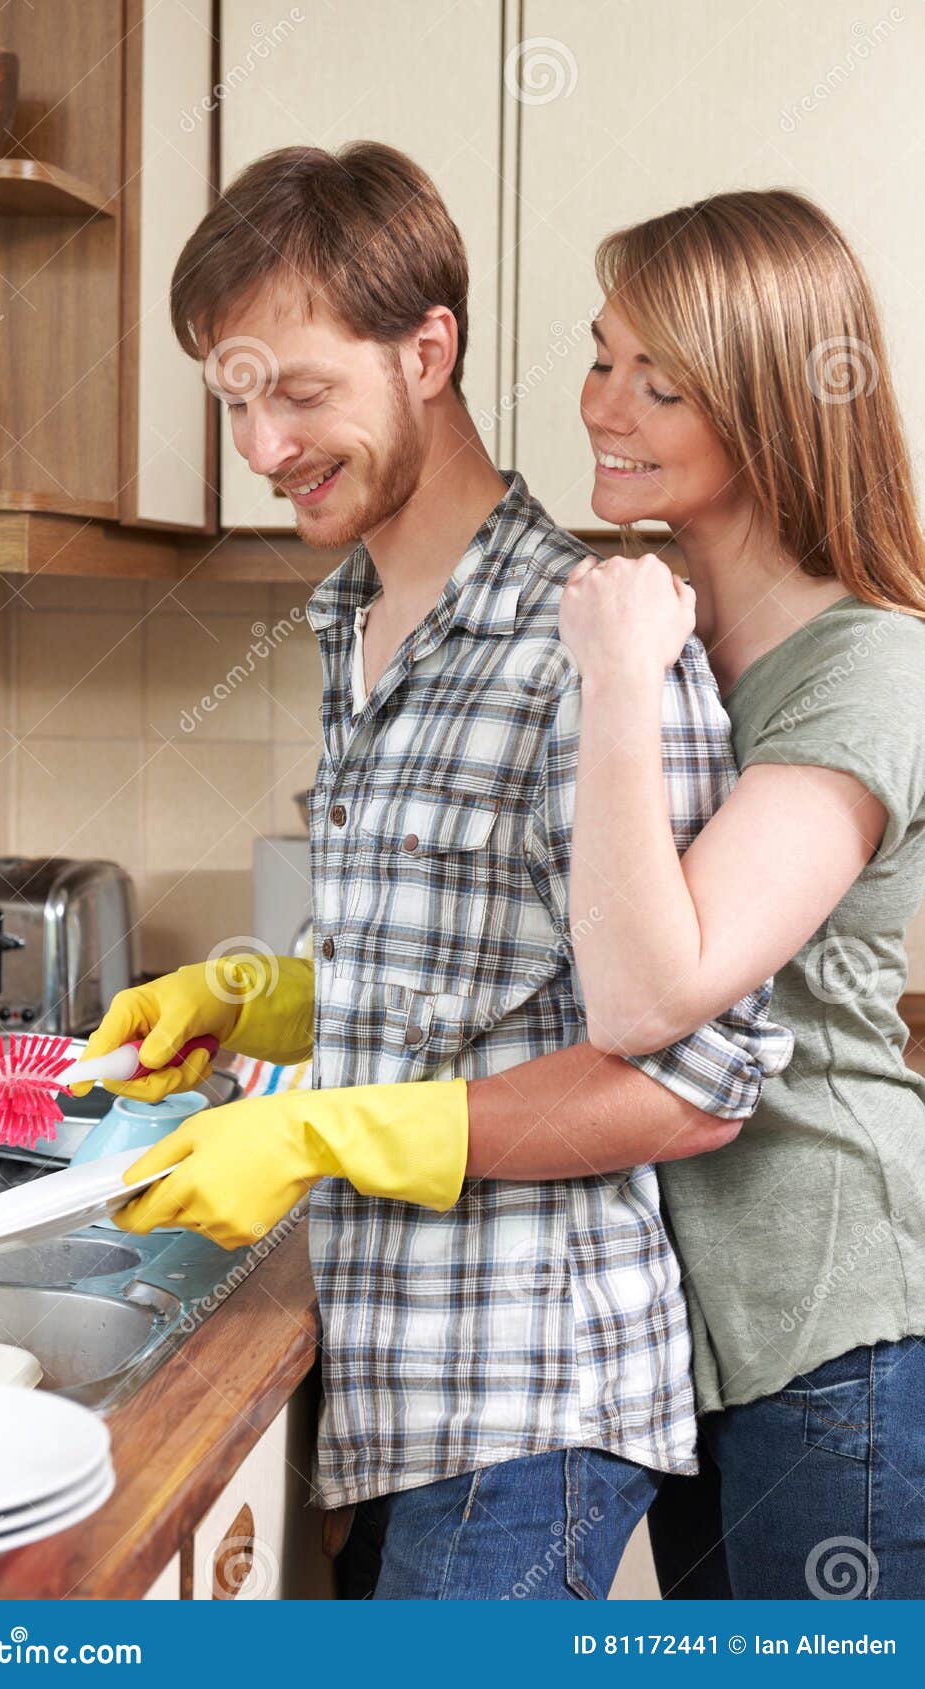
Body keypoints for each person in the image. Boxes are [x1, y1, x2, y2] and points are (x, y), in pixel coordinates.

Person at [74, 144, 790, 1600]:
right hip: (391, 1373)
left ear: (426, 352)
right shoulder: (355, 616)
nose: (263, 445)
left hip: (524, 1397)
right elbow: (470, 969)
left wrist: (317, 1135)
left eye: (298, 391)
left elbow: (695, 1079)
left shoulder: (586, 643)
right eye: (234, 400)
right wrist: (255, 998)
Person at [557, 188, 925, 1600]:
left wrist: (614, 681)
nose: (607, 407)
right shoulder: (678, 641)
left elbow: (652, 986)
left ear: (772, 409)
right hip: (691, 1343)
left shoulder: (870, 668)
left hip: (835, 1335)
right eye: (604, 359)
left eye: (664, 385)